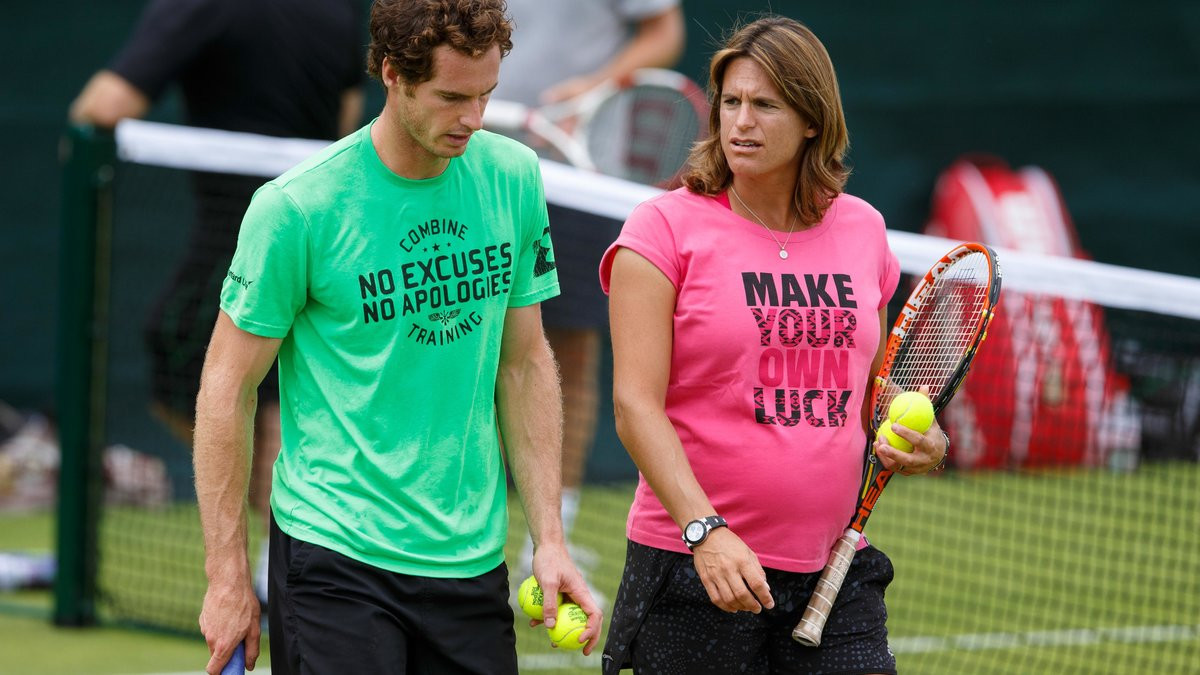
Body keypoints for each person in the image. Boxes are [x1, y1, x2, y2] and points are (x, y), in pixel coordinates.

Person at [191, 1, 602, 673]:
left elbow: (525, 363)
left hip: (470, 558)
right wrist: (227, 574)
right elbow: (226, 385)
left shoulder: (514, 176)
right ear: (392, 74)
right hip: (334, 553)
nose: (474, 118)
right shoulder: (297, 208)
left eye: (486, 94)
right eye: (452, 98)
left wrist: (549, 539)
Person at [598, 16, 949, 674]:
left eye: (765, 105)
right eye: (730, 102)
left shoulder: (863, 229)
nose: (741, 122)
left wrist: (920, 441)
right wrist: (705, 531)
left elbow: (871, 392)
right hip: (697, 567)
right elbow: (633, 405)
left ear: (812, 119)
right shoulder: (661, 228)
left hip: (834, 568)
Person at [68, 0, 366, 605]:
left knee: (210, 365)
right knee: (274, 389)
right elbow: (348, 116)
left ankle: (288, 562)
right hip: (323, 220)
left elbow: (103, 107)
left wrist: (74, 143)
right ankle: (289, 557)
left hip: (245, 226)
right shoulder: (340, 10)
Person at [492, 0, 685, 579]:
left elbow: (664, 30)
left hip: (577, 170)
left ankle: (553, 540)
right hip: (475, 156)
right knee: (460, 343)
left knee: (570, 351)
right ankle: (461, 535)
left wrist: (594, 90)